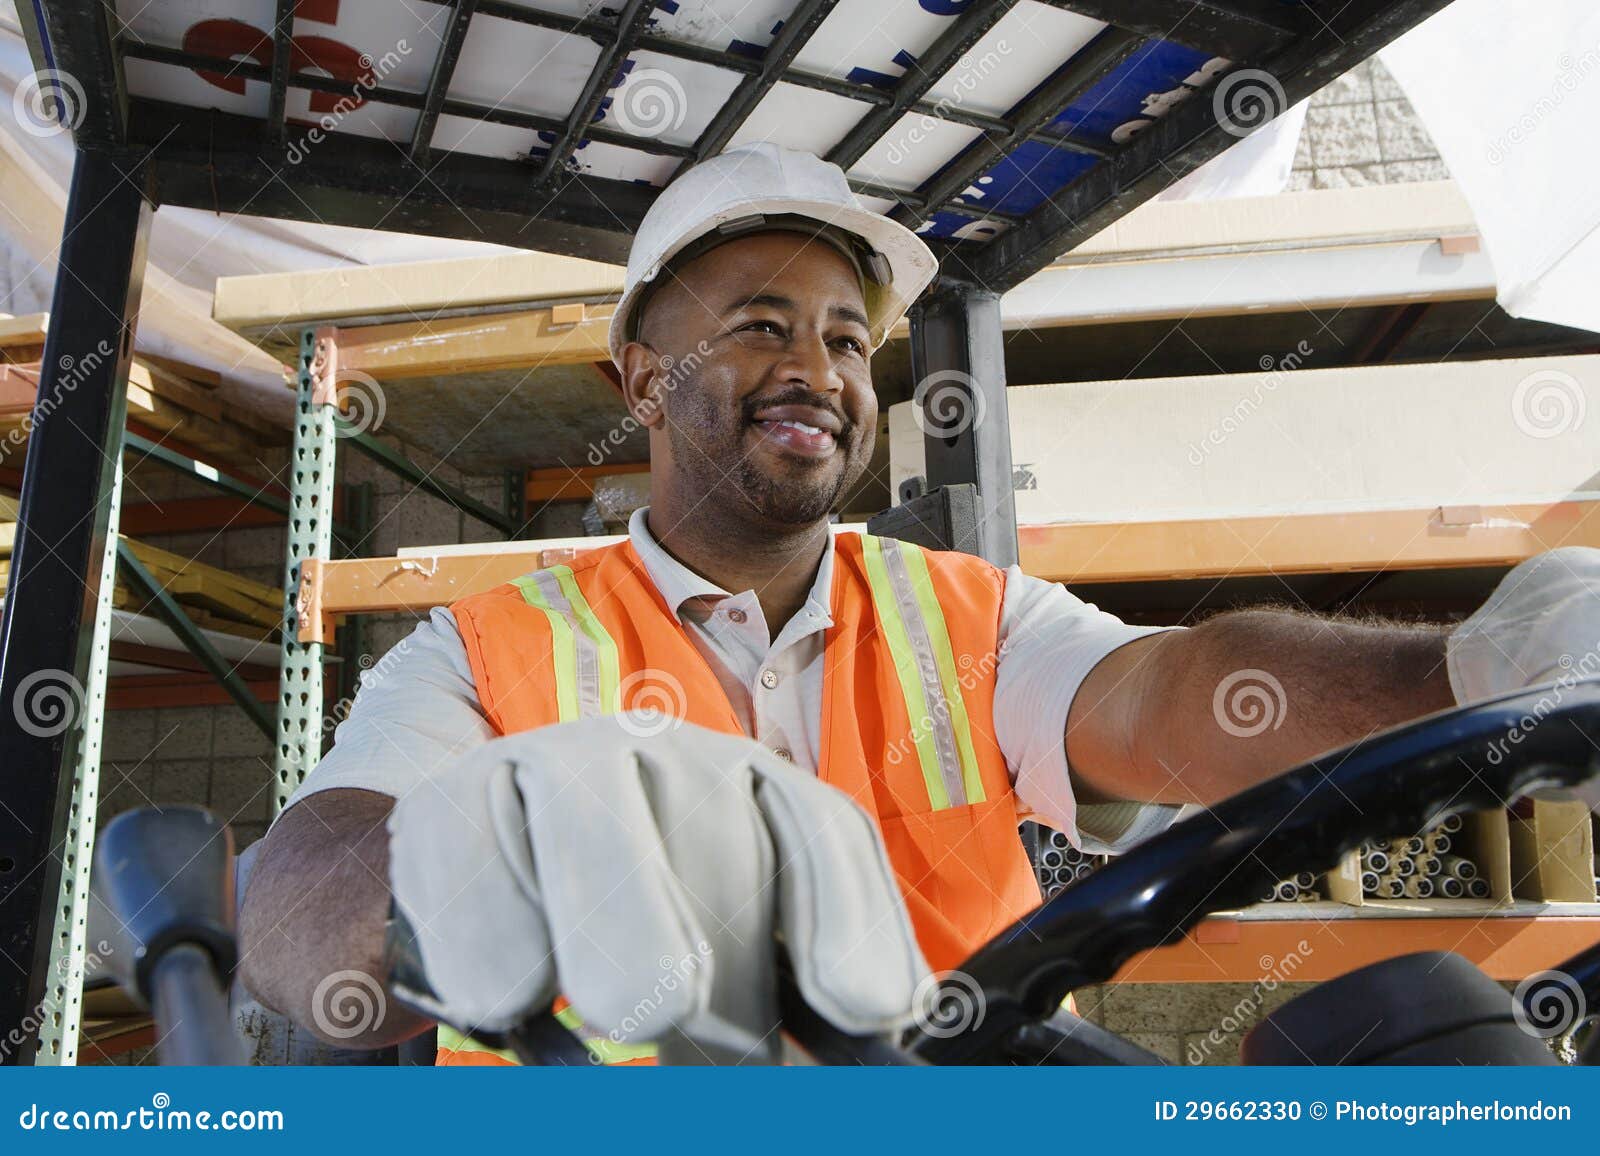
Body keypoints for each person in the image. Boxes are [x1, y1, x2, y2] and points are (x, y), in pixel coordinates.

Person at [239, 143, 1600, 1065]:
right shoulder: (483, 651)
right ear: (641, 381)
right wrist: (501, 841)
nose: (818, 368)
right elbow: (301, 898)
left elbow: (1174, 698)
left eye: (847, 338)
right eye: (760, 322)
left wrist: (1475, 672)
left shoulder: (974, 617)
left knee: (1432, 1031)